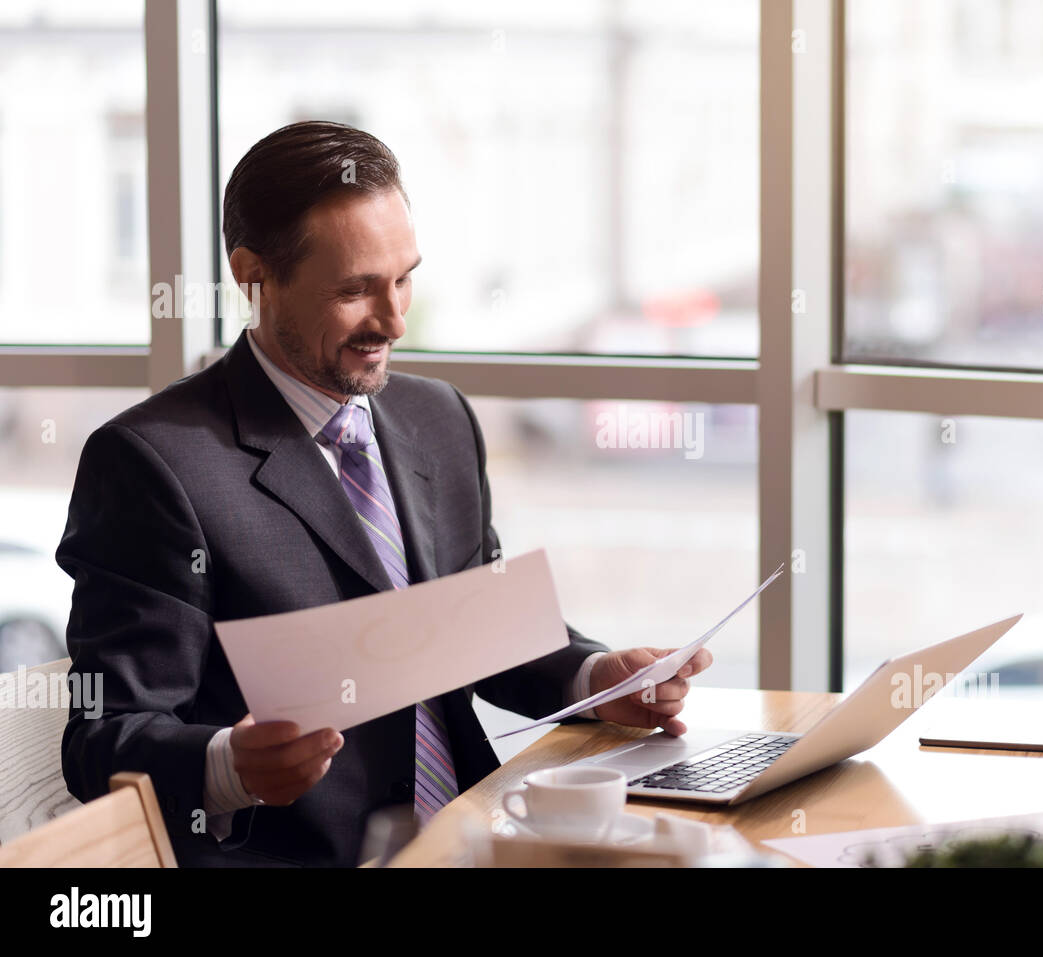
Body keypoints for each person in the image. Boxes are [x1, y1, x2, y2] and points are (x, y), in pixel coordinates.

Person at [57, 120, 712, 867]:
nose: (395, 320)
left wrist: (595, 677)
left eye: (404, 278)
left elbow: (473, 633)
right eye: (356, 290)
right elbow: (100, 737)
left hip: (475, 838)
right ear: (252, 274)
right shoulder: (153, 463)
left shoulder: (438, 418)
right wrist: (231, 765)